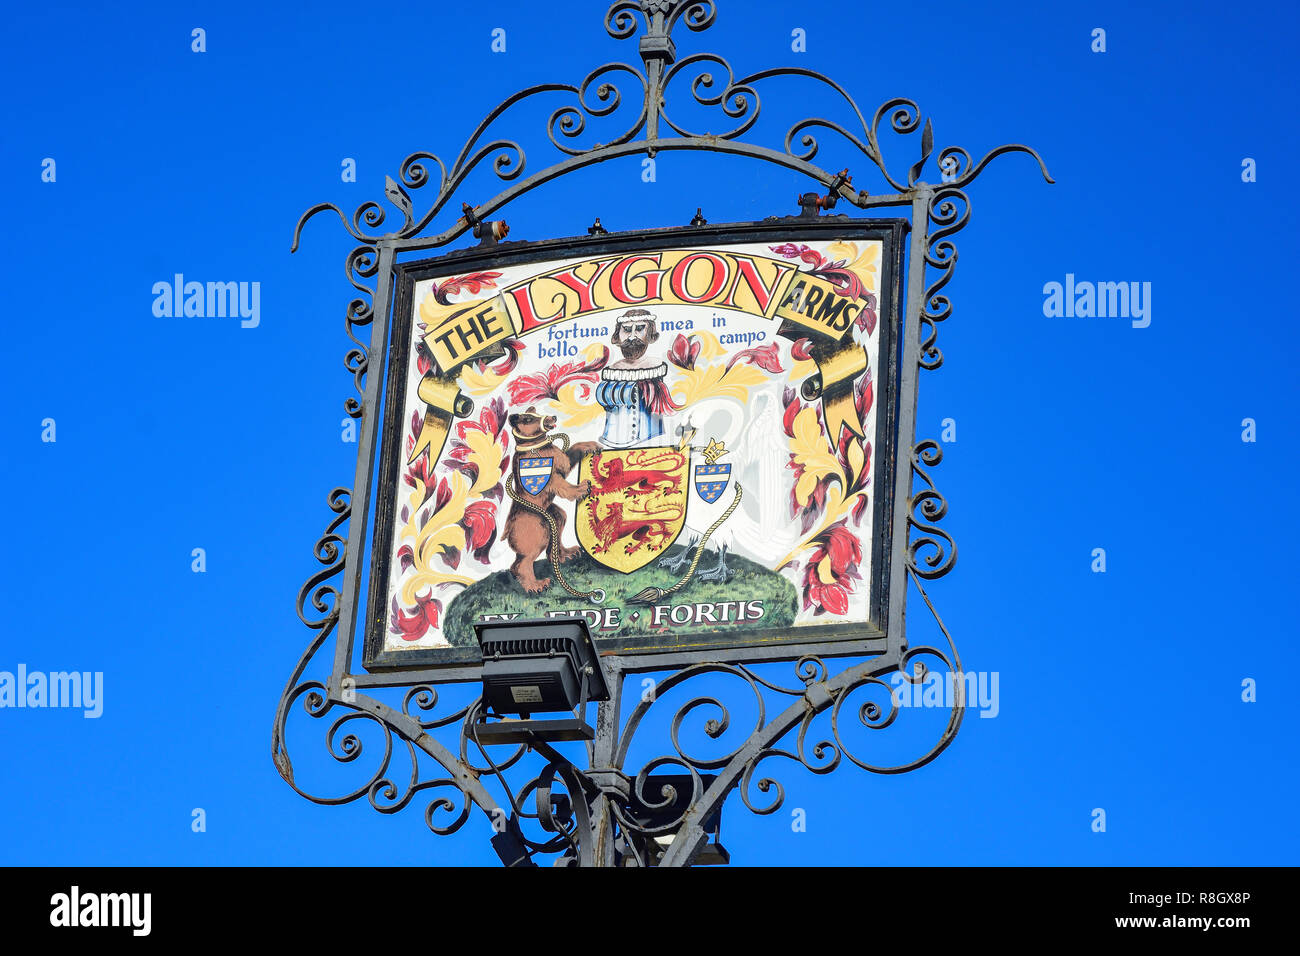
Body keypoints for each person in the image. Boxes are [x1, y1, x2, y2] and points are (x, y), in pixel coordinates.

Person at [596, 308, 676, 447]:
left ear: (650, 334)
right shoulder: (613, 369)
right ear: (617, 335)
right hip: (612, 442)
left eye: (639, 329)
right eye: (626, 330)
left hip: (651, 440)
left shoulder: (655, 366)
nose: (632, 336)